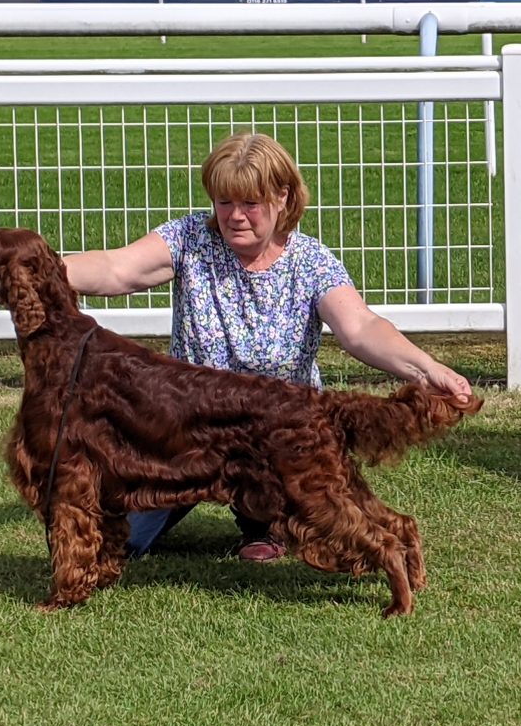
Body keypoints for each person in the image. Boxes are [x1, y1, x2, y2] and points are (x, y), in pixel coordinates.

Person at [63, 131, 473, 561]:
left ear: (282, 197)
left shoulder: (310, 261)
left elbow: (361, 327)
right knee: (116, 539)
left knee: (319, 515)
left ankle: (263, 524)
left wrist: (426, 369)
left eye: (250, 203)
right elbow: (116, 268)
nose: (235, 216)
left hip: (275, 438)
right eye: (224, 201)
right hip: (188, 434)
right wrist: (42, 271)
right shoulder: (190, 239)